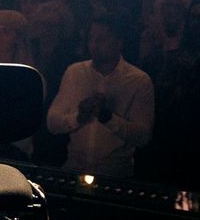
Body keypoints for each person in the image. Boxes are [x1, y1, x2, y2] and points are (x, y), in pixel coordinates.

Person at [46, 14, 154, 178]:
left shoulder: (138, 81)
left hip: (115, 174)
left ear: (119, 42)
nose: (94, 45)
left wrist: (108, 117)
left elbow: (142, 137)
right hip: (74, 168)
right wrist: (79, 117)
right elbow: (52, 123)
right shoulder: (75, 72)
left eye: (101, 39)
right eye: (91, 38)